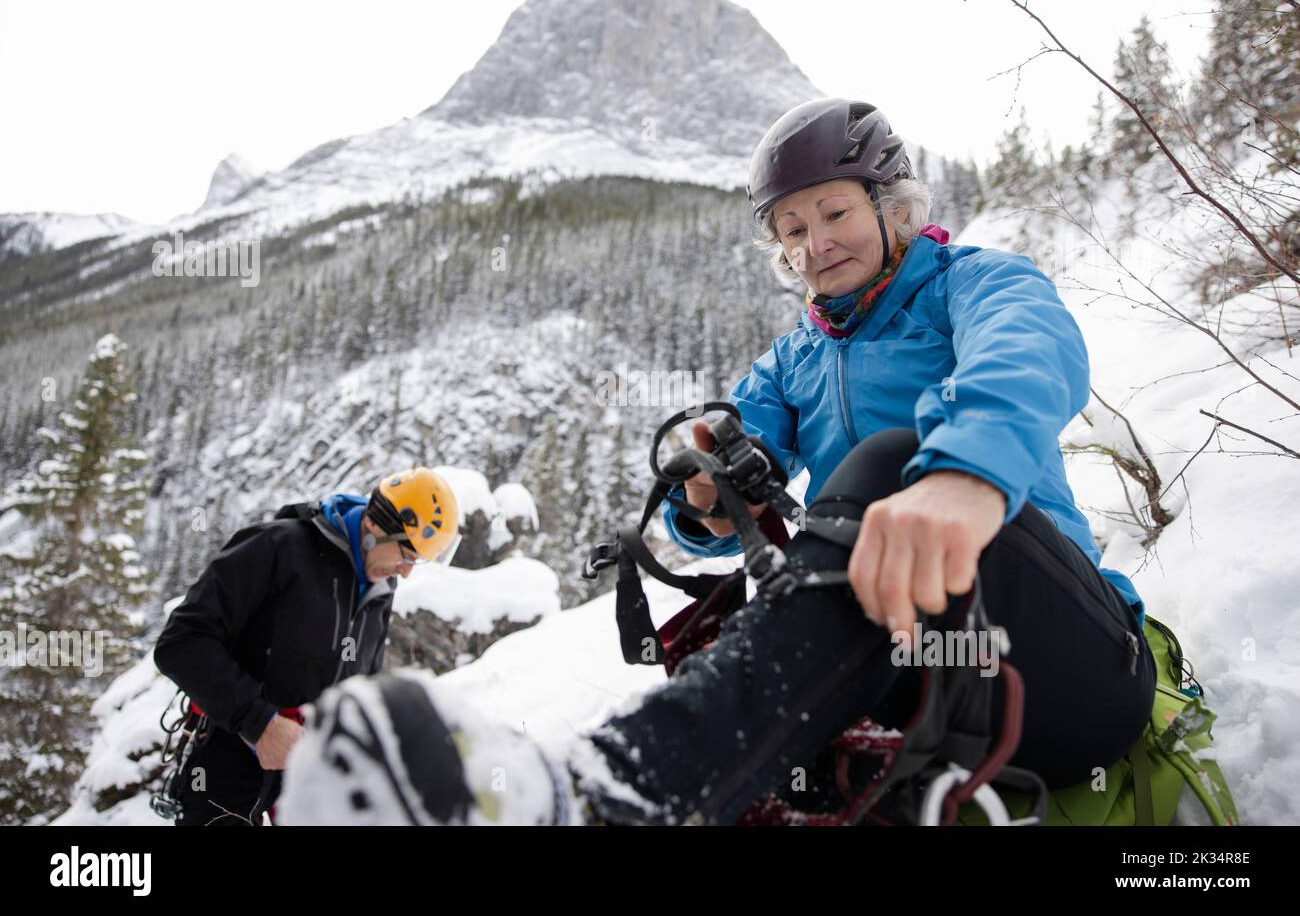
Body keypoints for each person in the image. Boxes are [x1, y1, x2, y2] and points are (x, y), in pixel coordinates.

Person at [277, 98, 1158, 826]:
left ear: (893, 207)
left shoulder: (979, 284)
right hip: (912, 672)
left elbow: (1031, 352)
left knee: (890, 459)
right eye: (793, 229)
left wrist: (960, 479)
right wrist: (702, 497)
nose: (815, 245)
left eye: (836, 213)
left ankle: (607, 788)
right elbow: (703, 505)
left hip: (1059, 663)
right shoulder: (790, 365)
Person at [153, 467, 460, 825]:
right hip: (227, 758)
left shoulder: (380, 588)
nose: (406, 572)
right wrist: (260, 723)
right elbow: (181, 642)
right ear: (376, 525)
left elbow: (363, 683)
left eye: (415, 561)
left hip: (308, 774)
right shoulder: (277, 548)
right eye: (406, 554)